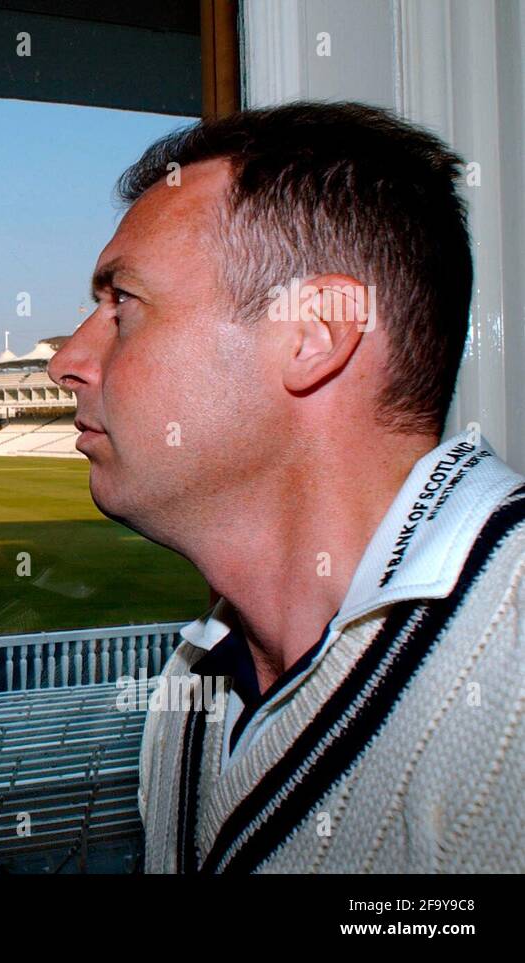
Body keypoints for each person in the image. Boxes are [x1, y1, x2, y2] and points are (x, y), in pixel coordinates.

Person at [48, 101, 525, 873]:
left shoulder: (509, 662)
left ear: (314, 334)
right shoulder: (192, 695)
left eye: (121, 304)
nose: (67, 360)